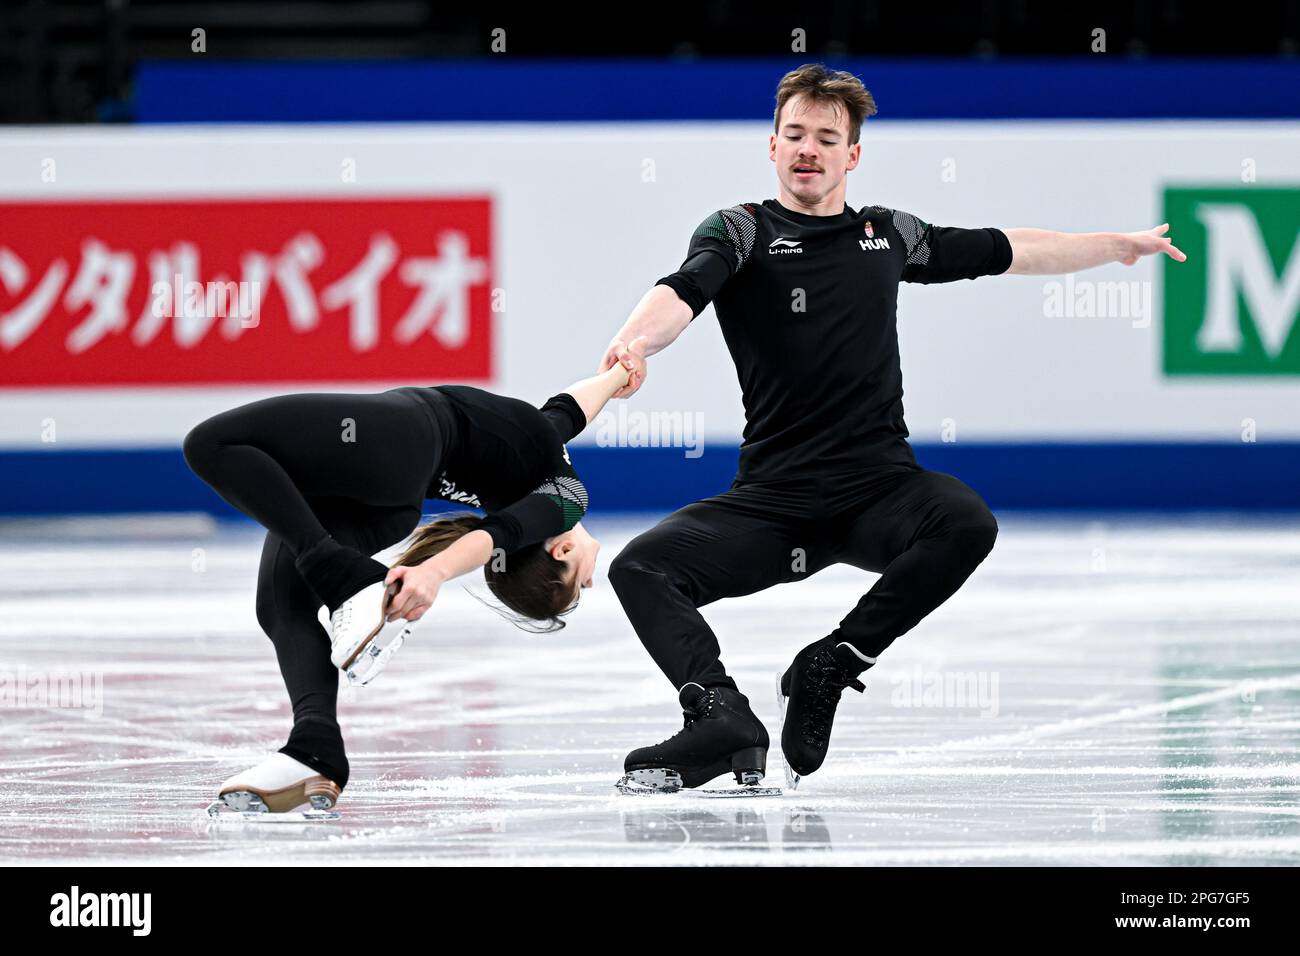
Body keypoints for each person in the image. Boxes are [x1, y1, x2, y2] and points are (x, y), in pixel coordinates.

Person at [599, 63, 1185, 790]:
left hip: (879, 491)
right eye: (795, 135)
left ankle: (832, 663)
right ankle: (720, 717)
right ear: (772, 147)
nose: (808, 149)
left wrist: (1113, 246)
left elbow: (1006, 248)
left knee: (966, 522)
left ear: (853, 154)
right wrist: (635, 344)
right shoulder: (741, 231)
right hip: (774, 504)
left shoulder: (888, 235)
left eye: (826, 137)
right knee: (639, 567)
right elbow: (684, 288)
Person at [182, 350, 640, 812]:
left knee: (212, 443)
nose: (590, 584)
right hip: (391, 502)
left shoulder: (568, 500)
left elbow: (497, 534)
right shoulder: (540, 466)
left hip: (404, 443)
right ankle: (313, 746)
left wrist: (431, 573)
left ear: (559, 551)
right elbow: (565, 412)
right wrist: (621, 371)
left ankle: (345, 578)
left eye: (578, 586)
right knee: (281, 606)